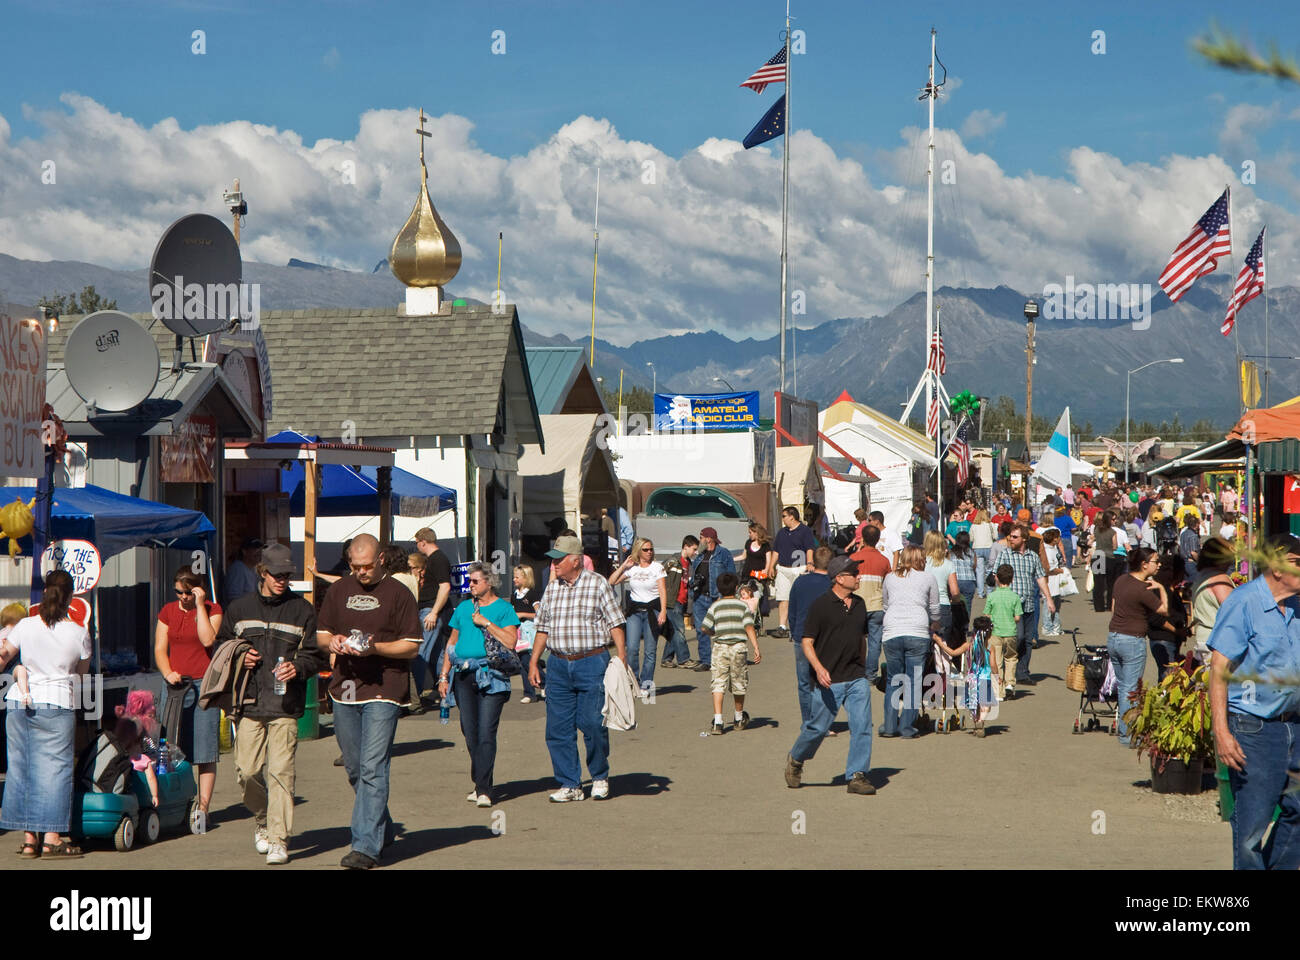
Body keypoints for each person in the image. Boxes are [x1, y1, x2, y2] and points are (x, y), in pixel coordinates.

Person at [317, 533, 421, 869]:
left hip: (385, 688)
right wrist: (331, 642)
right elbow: (320, 634)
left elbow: (412, 645)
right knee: (354, 766)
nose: (360, 572)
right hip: (345, 687)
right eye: (354, 566)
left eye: (366, 566)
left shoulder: (398, 593)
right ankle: (383, 827)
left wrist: (375, 647)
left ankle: (364, 846)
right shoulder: (339, 590)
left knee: (373, 767)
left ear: (380, 560)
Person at [218, 542, 324, 864]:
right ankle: (262, 819)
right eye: (277, 574)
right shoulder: (238, 609)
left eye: (287, 574)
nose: (282, 580)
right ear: (262, 572)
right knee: (246, 772)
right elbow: (221, 647)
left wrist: (299, 666)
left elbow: (314, 655)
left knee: (281, 772)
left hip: (285, 705)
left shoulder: (302, 610)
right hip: (248, 704)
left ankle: (279, 839)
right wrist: (239, 655)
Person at [1207, 534, 1300, 870]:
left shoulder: (1296, 607)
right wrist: (1222, 731)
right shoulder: (1244, 602)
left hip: (1295, 725)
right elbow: (1219, 668)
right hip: (1254, 729)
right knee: (1251, 828)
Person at [529, 533, 627, 802]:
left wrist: (621, 658)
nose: (554, 565)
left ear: (575, 560)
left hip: (592, 662)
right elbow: (542, 627)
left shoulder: (598, 585)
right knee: (558, 728)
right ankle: (570, 783)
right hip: (558, 664)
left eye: (558, 560)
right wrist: (534, 661)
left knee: (593, 723)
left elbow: (616, 623)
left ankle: (599, 776)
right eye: (553, 561)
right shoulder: (552, 588)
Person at [0, 570, 91, 859]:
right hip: (57, 702)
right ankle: (52, 839)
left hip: (19, 703)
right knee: (54, 771)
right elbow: (82, 674)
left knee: (22, 768)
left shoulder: (25, 625)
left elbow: (4, 656)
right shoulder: (79, 632)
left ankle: (29, 841)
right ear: (71, 597)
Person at [784, 555, 877, 795]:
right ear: (839, 578)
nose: (859, 577)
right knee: (817, 728)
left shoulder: (859, 604)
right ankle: (796, 759)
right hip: (829, 680)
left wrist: (864, 666)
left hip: (856, 677)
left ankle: (857, 775)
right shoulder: (820, 606)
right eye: (854, 574)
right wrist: (818, 668)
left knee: (862, 725)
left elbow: (862, 638)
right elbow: (806, 642)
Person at [438, 562, 520, 807]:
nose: (470, 585)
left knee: (486, 732)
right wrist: (443, 676)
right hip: (462, 677)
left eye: (475, 581)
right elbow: (451, 644)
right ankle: (481, 782)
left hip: (491, 676)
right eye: (469, 581)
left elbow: (511, 641)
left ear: (489, 582)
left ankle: (484, 789)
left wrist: (486, 623)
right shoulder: (463, 607)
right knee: (470, 732)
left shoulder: (504, 609)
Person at [156, 566, 223, 825]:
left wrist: (200, 605)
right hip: (175, 684)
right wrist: (168, 672)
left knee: (205, 749)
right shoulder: (167, 611)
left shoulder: (212, 610)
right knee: (171, 748)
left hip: (204, 682)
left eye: (187, 592)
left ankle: (203, 807)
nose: (182, 597)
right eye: (178, 592)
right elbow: (160, 648)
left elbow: (208, 640)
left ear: (197, 590)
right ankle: (175, 802)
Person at [880, 544, 941, 739]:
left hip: (892, 630)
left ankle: (889, 725)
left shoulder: (890, 577)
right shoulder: (928, 577)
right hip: (917, 630)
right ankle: (907, 725)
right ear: (922, 558)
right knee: (914, 680)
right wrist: (935, 624)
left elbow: (885, 604)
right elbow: (935, 607)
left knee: (893, 679)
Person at [1108, 546, 1163, 747]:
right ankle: (1127, 735)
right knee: (1130, 690)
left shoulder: (1121, 580)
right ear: (1144, 564)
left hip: (1114, 637)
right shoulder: (1143, 588)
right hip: (1132, 640)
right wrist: (1162, 589)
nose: (1159, 565)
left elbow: (1113, 608)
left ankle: (1125, 731)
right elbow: (1163, 610)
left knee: (1124, 686)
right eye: (1156, 561)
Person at [701, 572, 761, 734]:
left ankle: (718, 721)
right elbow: (749, 626)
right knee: (739, 681)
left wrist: (713, 634)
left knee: (718, 682)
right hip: (738, 648)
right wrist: (756, 647)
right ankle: (738, 717)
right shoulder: (742, 606)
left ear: (719, 589)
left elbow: (704, 627)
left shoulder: (715, 606)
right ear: (736, 588)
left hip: (720, 647)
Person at [609, 536, 666, 695]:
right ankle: (634, 680)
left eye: (651, 549)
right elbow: (611, 582)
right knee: (632, 648)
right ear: (638, 551)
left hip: (652, 611)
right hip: (635, 612)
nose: (649, 552)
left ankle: (646, 685)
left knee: (650, 650)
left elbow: (662, 590)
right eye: (645, 549)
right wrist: (623, 566)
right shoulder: (632, 568)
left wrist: (663, 611)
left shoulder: (657, 567)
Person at [1003, 525, 1055, 687]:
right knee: (1016, 638)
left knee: (1027, 639)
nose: (1010, 539)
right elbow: (995, 575)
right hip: (1011, 606)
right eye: (1010, 536)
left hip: (1029, 605)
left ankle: (1022, 673)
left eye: (1014, 537)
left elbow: (1040, 578)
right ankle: (1007, 668)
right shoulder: (1005, 555)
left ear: (1024, 539)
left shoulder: (1032, 557)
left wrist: (1049, 599)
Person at [787, 546, 833, 727]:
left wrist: (794, 630)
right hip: (825, 638)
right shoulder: (832, 584)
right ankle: (823, 722)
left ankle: (808, 721)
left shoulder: (800, 582)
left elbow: (792, 610)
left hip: (802, 635)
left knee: (804, 682)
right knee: (825, 680)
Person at [413, 527, 453, 705]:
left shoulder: (438, 559)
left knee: (422, 653)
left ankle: (415, 695)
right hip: (432, 610)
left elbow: (445, 587)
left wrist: (434, 612)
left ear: (423, 542)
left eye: (417, 543)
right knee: (437, 655)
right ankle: (449, 692)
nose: (416, 546)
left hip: (430, 611)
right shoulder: (436, 559)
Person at [849, 527, 891, 684]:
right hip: (877, 605)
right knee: (875, 641)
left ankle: (854, 671)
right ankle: (871, 675)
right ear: (878, 540)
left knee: (855, 639)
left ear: (863, 539)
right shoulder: (884, 561)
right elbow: (888, 585)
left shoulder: (854, 558)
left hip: (856, 604)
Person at [691, 527, 735, 669]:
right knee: (701, 630)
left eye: (701, 537)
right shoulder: (699, 555)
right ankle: (706, 661)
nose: (700, 540)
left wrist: (725, 596)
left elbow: (731, 576)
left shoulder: (723, 554)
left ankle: (724, 659)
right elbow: (693, 573)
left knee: (721, 629)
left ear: (708, 539)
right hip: (699, 597)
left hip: (717, 597)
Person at [769, 507, 816, 638]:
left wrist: (810, 563)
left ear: (792, 516)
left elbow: (810, 548)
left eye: (784, 516)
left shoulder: (805, 531)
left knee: (800, 598)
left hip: (799, 568)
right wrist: (771, 566)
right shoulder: (782, 532)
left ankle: (801, 627)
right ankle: (782, 627)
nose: (782, 518)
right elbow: (776, 551)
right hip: (783, 568)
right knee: (783, 598)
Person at [1190, 537, 1236, 662]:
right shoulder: (1219, 579)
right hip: (1218, 641)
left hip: (1204, 637)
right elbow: (1234, 610)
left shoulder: (1201, 576)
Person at [985, 564, 1024, 699]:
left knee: (996, 661)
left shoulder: (991, 596)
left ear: (996, 578)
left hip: (995, 632)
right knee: (1011, 658)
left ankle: (998, 692)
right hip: (1011, 632)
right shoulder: (1015, 597)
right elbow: (1018, 617)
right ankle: (1010, 683)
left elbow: (986, 615)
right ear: (1012, 579)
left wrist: (994, 618)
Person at [661, 535, 699, 668]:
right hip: (673, 600)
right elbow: (659, 574)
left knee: (674, 631)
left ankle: (666, 659)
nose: (695, 552)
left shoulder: (689, 563)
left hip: (682, 601)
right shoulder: (673, 561)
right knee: (680, 630)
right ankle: (684, 659)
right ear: (686, 546)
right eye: (694, 549)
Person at [1147, 556, 1188, 679]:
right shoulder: (1161, 591)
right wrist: (1176, 630)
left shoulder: (1172, 590)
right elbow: (1156, 618)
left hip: (1170, 640)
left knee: (1169, 677)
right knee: (1168, 678)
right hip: (1163, 639)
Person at [511, 565, 545, 702]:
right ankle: (529, 692)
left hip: (530, 629)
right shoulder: (515, 595)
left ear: (526, 578)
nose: (514, 579)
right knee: (522, 660)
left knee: (528, 659)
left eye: (517, 577)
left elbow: (539, 613)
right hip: (519, 631)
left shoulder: (532, 594)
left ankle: (544, 682)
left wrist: (523, 614)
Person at [923, 531, 959, 635]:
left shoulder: (921, 562)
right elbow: (955, 592)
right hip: (942, 604)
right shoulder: (948, 564)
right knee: (943, 643)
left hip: (924, 605)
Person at [1038, 527, 1066, 637]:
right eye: (1058, 537)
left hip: (1057, 580)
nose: (1060, 539)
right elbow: (1048, 568)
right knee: (1048, 605)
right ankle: (1047, 627)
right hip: (1049, 580)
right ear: (1054, 539)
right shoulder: (1047, 550)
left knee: (1057, 604)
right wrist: (1061, 570)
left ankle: (1056, 626)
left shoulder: (1054, 548)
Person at [224, 537, 262, 604]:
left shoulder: (254, 569)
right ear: (244, 551)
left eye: (259, 549)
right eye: (254, 549)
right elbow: (233, 597)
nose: (258, 551)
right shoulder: (238, 568)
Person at [969, 510, 995, 597]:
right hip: (988, 547)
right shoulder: (989, 524)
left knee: (979, 571)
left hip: (977, 547)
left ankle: (980, 592)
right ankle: (989, 591)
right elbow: (995, 536)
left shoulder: (974, 525)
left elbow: (971, 538)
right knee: (989, 570)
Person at [950, 530, 978, 612]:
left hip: (955, 580)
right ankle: (966, 623)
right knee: (967, 606)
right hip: (969, 581)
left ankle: (956, 623)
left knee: (955, 605)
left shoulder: (951, 552)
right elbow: (974, 566)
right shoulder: (972, 552)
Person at [1178, 512, 1202, 582]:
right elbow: (1193, 552)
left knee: (1185, 582)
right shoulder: (1193, 536)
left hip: (1183, 561)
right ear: (1197, 524)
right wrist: (1199, 562)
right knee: (1194, 583)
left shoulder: (1183, 533)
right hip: (1191, 562)